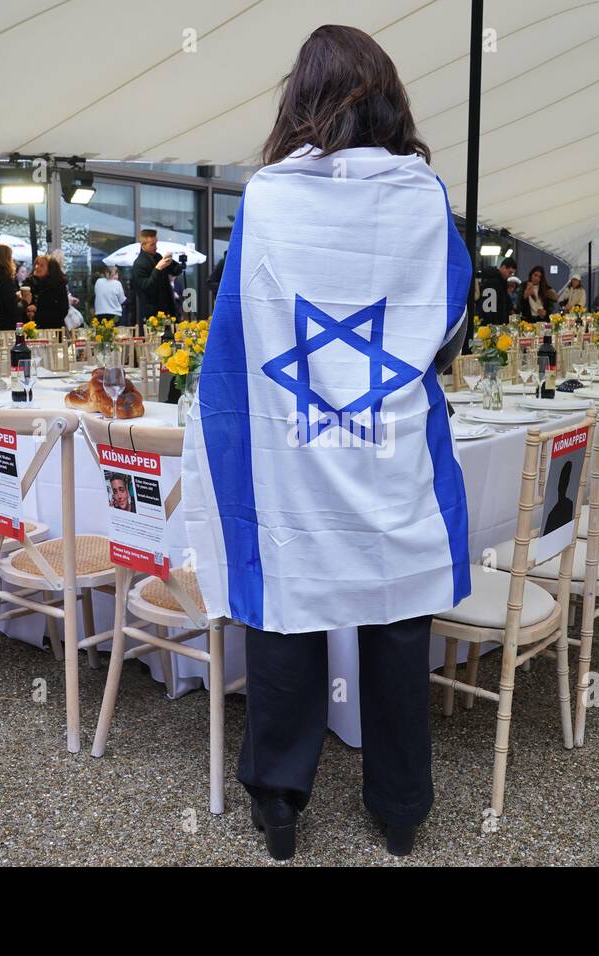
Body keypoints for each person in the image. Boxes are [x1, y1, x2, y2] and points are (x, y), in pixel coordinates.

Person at [182, 23, 472, 862]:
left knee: (288, 614)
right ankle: (402, 807)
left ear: (296, 100)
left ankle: (279, 803)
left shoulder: (267, 197)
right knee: (395, 624)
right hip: (391, 448)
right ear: (391, 98)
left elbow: (233, 335)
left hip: (291, 453)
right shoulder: (424, 197)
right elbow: (447, 326)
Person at [131, 229, 182, 327]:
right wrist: (158, 268)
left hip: (168, 310)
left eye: (156, 243)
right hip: (152, 315)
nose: (156, 247)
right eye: (152, 245)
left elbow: (176, 271)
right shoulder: (139, 264)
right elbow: (147, 287)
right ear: (143, 245)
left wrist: (171, 261)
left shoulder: (157, 257)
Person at [25, 254, 70, 328]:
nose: (37, 267)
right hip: (29, 330)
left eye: (41, 265)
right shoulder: (27, 284)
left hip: (52, 331)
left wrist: (37, 311)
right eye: (37, 264)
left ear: (50, 270)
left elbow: (62, 311)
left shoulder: (58, 286)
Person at [475, 255, 514, 325]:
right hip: (492, 327)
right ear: (503, 267)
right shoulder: (494, 282)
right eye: (510, 272)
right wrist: (495, 326)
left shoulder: (501, 282)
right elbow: (488, 308)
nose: (510, 276)